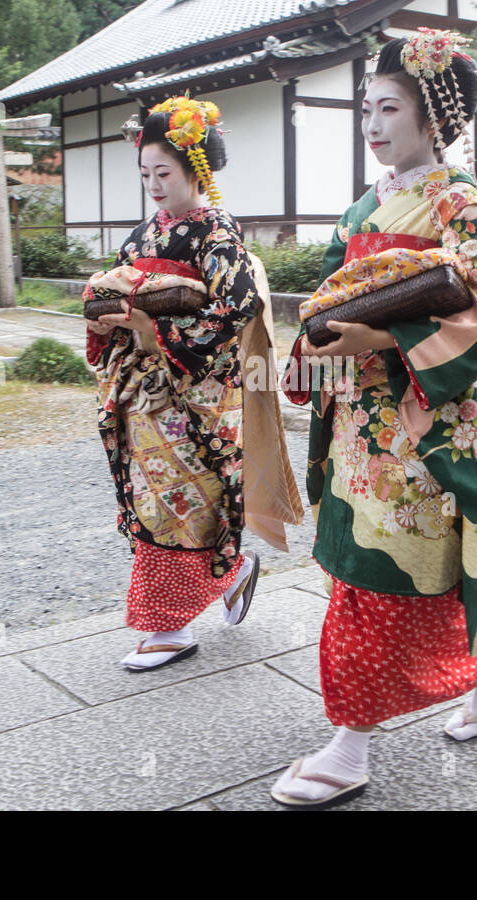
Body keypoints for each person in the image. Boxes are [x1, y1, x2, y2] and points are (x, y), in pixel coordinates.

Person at [271, 29, 477, 807]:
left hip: (421, 420)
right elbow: (325, 298)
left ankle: (350, 744)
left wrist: (381, 335)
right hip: (359, 417)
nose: (373, 125)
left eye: (389, 109)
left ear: (434, 116)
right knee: (372, 560)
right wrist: (314, 351)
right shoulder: (363, 208)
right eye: (366, 110)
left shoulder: (458, 203)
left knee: (384, 569)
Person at [84, 95, 297, 671]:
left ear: (195, 170)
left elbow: (233, 308)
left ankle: (169, 625)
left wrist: (156, 331)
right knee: (159, 497)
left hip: (195, 391)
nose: (154, 185)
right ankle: (230, 573)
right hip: (143, 386)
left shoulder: (216, 235)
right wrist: (110, 317)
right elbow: (117, 290)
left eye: (165, 173)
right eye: (146, 174)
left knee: (175, 502)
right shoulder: (141, 237)